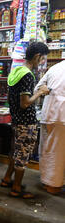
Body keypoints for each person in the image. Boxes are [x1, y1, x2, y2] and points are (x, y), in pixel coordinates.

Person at [0, 42, 50, 199]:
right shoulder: (28, 75)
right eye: (42, 59)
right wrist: (40, 92)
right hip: (26, 122)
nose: (42, 62)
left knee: (16, 152)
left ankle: (7, 179)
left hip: (16, 120)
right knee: (22, 155)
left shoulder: (16, 71)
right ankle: (16, 188)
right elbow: (25, 102)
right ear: (36, 57)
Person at [34, 60, 65, 195]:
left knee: (48, 148)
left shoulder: (55, 68)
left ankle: (48, 182)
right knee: (56, 152)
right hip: (60, 115)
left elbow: (38, 88)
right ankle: (53, 185)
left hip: (48, 114)